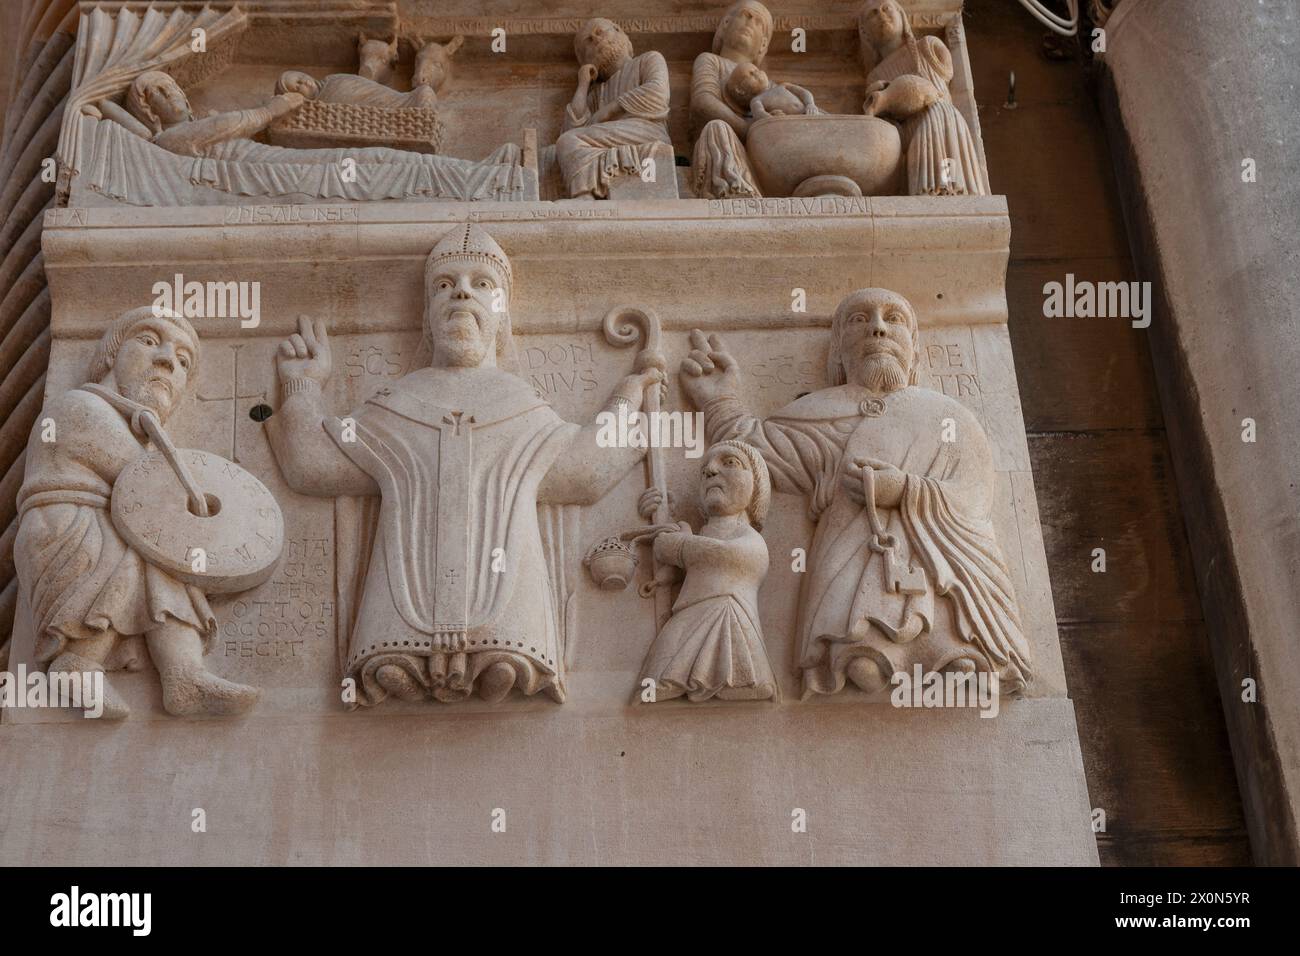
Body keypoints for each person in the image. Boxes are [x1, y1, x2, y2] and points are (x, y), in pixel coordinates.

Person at [265, 224, 664, 705]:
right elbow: (313, 467)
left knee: (507, 643)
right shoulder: (397, 400)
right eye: (443, 285)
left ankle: (505, 655)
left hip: (504, 587)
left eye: (482, 284)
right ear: (427, 314)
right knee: (393, 647)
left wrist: (627, 398)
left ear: (502, 313)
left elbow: (579, 471)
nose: (461, 292)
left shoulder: (519, 402)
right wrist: (302, 389)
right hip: (405, 573)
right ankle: (396, 658)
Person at [679, 288, 1031, 698]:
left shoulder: (947, 416)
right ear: (838, 350)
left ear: (913, 349)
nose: (878, 328)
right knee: (861, 662)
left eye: (893, 318)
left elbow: (973, 495)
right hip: (851, 554)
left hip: (936, 566)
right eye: (859, 320)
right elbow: (759, 451)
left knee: (958, 657)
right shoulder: (819, 411)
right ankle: (870, 649)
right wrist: (719, 399)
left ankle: (948, 645)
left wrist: (903, 489)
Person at [15, 307, 261, 718]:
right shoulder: (80, 407)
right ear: (110, 356)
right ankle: (77, 659)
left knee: (155, 548)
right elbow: (154, 486)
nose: (168, 360)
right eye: (148, 341)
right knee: (142, 543)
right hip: (65, 533)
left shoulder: (137, 433)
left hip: (97, 531)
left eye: (183, 361)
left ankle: (183, 675)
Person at [634, 440, 779, 702]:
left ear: (756, 485)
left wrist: (681, 547)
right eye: (704, 471)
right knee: (655, 680)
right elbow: (694, 567)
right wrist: (655, 520)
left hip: (727, 615)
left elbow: (736, 558)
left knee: (738, 674)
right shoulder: (698, 535)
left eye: (730, 462)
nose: (711, 470)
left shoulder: (749, 537)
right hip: (687, 614)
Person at [555, 18, 672, 199]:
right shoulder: (596, 93)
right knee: (561, 145)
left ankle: (584, 194)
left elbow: (658, 93)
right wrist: (583, 83)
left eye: (599, 31)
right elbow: (575, 128)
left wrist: (610, 110)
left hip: (646, 131)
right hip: (608, 137)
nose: (594, 38)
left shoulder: (649, 59)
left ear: (618, 30)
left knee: (568, 141)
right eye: (587, 41)